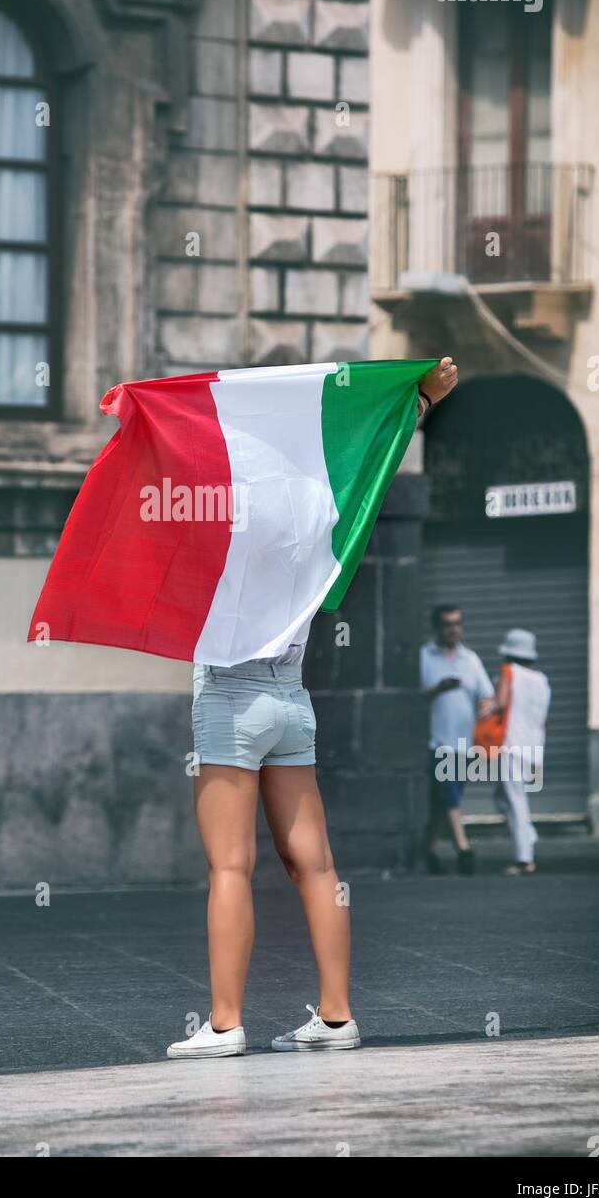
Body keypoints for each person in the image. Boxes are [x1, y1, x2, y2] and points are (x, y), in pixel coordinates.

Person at [166, 357, 460, 1059]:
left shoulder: (222, 521)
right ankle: (334, 1017)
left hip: (231, 700)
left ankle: (224, 1023)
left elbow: (163, 494)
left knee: (229, 868)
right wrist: (418, 402)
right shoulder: (315, 517)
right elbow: (371, 468)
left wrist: (140, 419)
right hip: (292, 699)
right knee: (317, 867)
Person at [419, 605, 495, 876]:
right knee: (450, 796)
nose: (454, 629)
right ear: (436, 627)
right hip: (436, 743)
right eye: (448, 624)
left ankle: (425, 851)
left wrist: (488, 705)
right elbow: (409, 698)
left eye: (458, 623)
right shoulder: (424, 657)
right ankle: (464, 850)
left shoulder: (470, 659)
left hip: (465, 745)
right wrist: (438, 689)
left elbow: (487, 694)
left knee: (443, 801)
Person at [492, 628, 551, 876]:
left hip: (512, 743)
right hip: (533, 747)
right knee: (502, 797)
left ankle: (524, 859)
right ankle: (527, 835)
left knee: (514, 800)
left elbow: (500, 704)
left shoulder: (509, 672)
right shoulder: (542, 681)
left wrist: (487, 705)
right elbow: (544, 718)